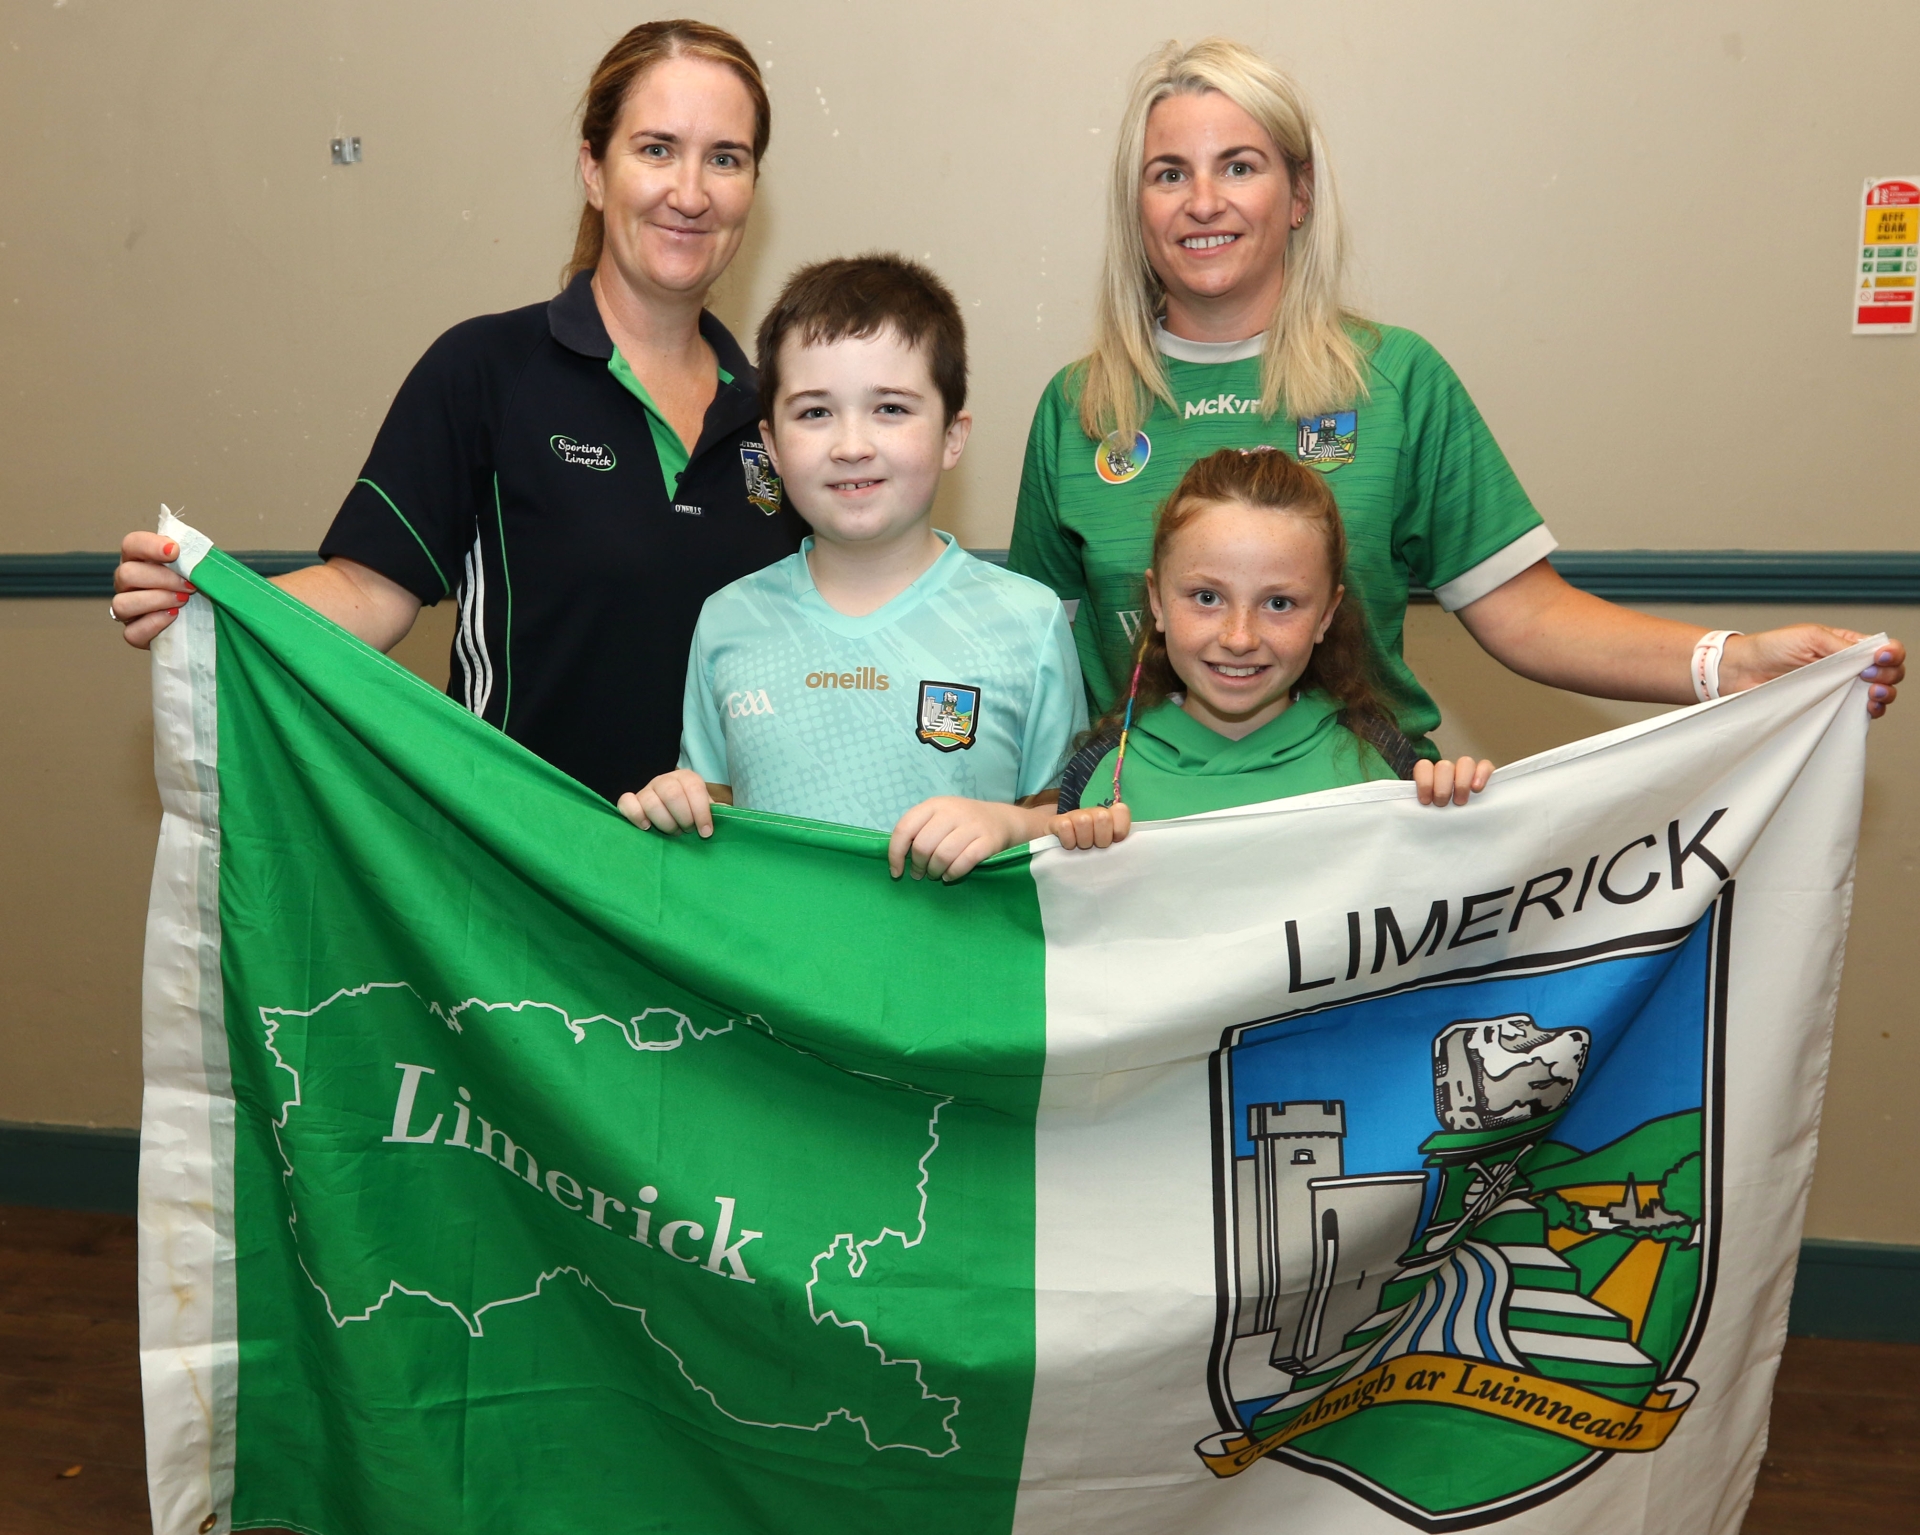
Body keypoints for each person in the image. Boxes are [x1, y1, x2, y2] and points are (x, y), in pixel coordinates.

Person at [1009, 37, 1904, 748]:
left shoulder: (1396, 379)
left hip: (1367, 855)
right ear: (1138, 206)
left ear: (1299, 195)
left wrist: (1733, 662)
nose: (1204, 201)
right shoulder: (1080, 406)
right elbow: (1033, 663)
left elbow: (1528, 614)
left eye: (1240, 166)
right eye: (1170, 174)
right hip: (1139, 851)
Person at [109, 20, 806, 802]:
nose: (691, 192)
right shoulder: (486, 371)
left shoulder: (784, 417)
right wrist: (215, 601)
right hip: (517, 878)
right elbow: (371, 592)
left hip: (721, 894)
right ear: (594, 170)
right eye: (656, 149)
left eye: (725, 158)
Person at [621, 255, 1087, 882]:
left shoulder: (1026, 622)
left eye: (890, 409)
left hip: (953, 972)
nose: (851, 445)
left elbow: (1069, 822)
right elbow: (719, 803)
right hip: (771, 972)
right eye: (815, 412)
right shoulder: (729, 618)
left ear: (953, 435)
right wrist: (679, 804)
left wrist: (1009, 824)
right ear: (772, 447)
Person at [1050, 447, 1491, 853]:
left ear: (1325, 615)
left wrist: (1453, 820)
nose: (1239, 638)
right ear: (1158, 601)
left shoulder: (1379, 761)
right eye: (1207, 597)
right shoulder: (1103, 771)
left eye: (1279, 603)